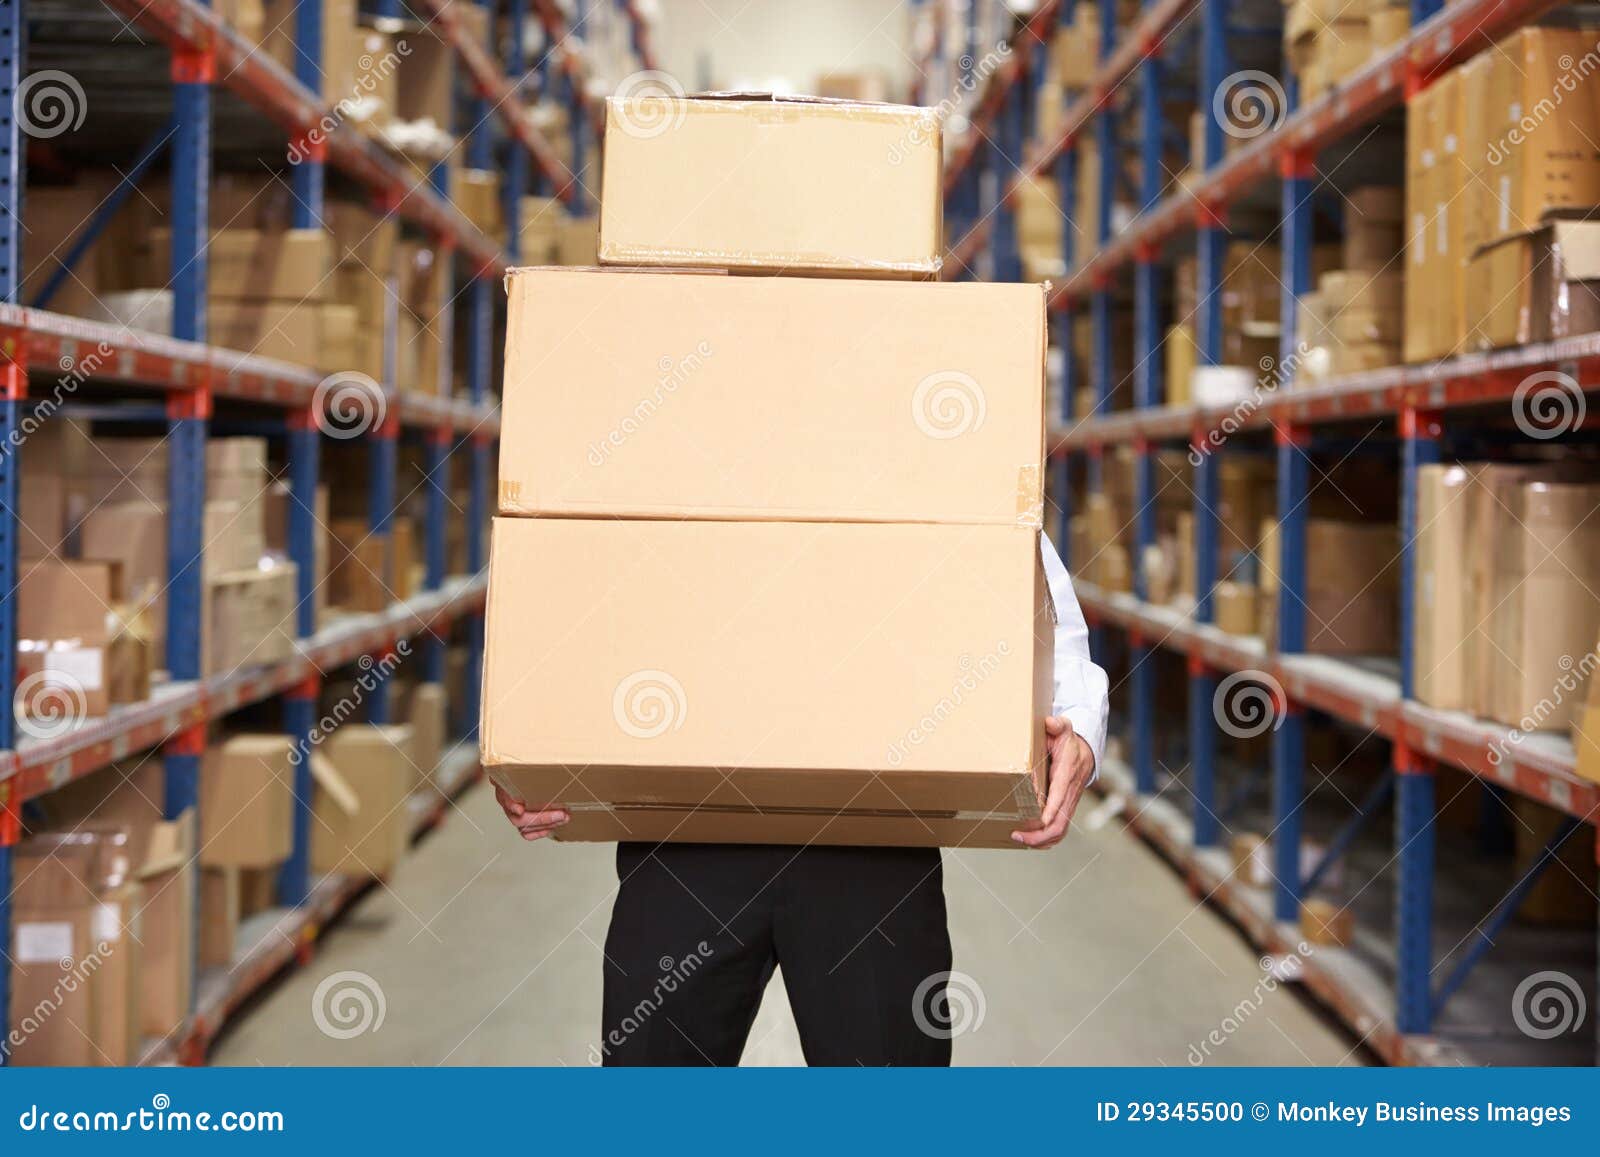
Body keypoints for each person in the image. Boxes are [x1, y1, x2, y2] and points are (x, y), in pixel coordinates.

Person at [495, 533, 1109, 1066]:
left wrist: (1077, 719)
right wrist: (529, 734)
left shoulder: (906, 410)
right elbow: (575, 544)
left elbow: (999, 527)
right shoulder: (650, 407)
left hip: (875, 828)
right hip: (684, 830)